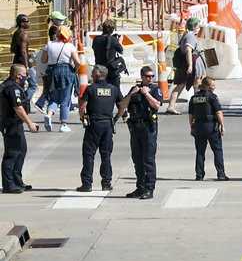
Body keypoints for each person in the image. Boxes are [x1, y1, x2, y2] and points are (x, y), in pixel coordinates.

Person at [78, 65, 124, 193]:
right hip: (108, 125)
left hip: (94, 124)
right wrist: (115, 119)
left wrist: (83, 118)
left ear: (98, 75)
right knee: (106, 155)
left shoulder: (90, 89)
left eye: (92, 73)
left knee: (88, 154)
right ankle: (106, 183)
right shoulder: (113, 89)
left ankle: (87, 184)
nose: (91, 75)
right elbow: (122, 106)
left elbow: (82, 107)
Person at [121, 65, 162, 199]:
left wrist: (146, 93)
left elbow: (157, 105)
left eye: (152, 76)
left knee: (148, 159)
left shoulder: (155, 89)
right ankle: (140, 187)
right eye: (148, 76)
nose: (150, 79)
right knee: (137, 159)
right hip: (135, 127)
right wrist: (132, 94)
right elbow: (122, 105)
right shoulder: (135, 89)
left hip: (148, 127)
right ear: (142, 77)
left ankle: (149, 188)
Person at [1, 65, 39, 194]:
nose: (26, 77)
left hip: (15, 124)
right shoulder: (11, 88)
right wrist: (30, 123)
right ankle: (8, 185)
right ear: (18, 76)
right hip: (10, 124)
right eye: (25, 74)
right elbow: (18, 108)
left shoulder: (14, 86)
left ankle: (17, 181)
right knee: (12, 153)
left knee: (21, 150)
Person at [40, 25, 80, 133]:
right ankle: (63, 124)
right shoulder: (70, 46)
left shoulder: (49, 44)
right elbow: (78, 62)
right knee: (65, 99)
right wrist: (75, 70)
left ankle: (49, 115)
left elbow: (43, 60)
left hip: (52, 72)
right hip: (66, 71)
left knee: (54, 98)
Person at [189, 77, 227, 182]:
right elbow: (218, 112)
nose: (214, 87)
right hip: (211, 127)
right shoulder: (212, 97)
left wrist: (191, 127)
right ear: (206, 86)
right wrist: (222, 125)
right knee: (217, 151)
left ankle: (199, 175)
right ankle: (221, 174)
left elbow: (191, 115)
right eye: (212, 85)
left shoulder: (194, 98)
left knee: (200, 152)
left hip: (198, 127)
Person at [167, 17, 205, 114]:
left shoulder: (188, 35)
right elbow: (188, 50)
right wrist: (190, 66)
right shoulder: (190, 36)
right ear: (195, 27)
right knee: (195, 85)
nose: (199, 28)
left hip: (188, 63)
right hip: (190, 64)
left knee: (182, 85)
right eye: (198, 26)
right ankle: (198, 107)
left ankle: (171, 106)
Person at [92, 19, 126, 87]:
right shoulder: (113, 40)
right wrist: (119, 41)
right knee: (115, 92)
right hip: (111, 71)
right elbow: (121, 51)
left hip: (99, 69)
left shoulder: (96, 39)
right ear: (112, 30)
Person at [10, 14, 34, 110]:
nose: (29, 23)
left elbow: (13, 49)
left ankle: (18, 103)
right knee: (33, 84)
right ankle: (23, 103)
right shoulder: (24, 34)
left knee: (18, 84)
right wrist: (27, 66)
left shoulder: (16, 33)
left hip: (16, 60)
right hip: (23, 63)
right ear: (22, 23)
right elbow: (23, 51)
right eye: (27, 21)